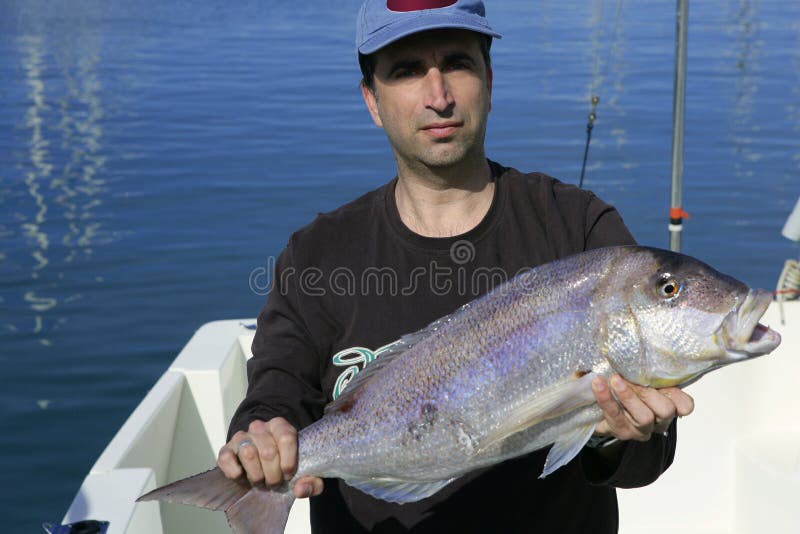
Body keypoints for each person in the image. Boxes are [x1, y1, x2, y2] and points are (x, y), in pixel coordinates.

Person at [217, 1, 695, 532]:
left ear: (488, 80)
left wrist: (614, 434)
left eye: (458, 64)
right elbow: (274, 390)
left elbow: (645, 461)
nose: (438, 96)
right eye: (405, 70)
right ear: (371, 100)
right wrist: (260, 438)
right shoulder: (317, 255)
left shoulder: (578, 229)